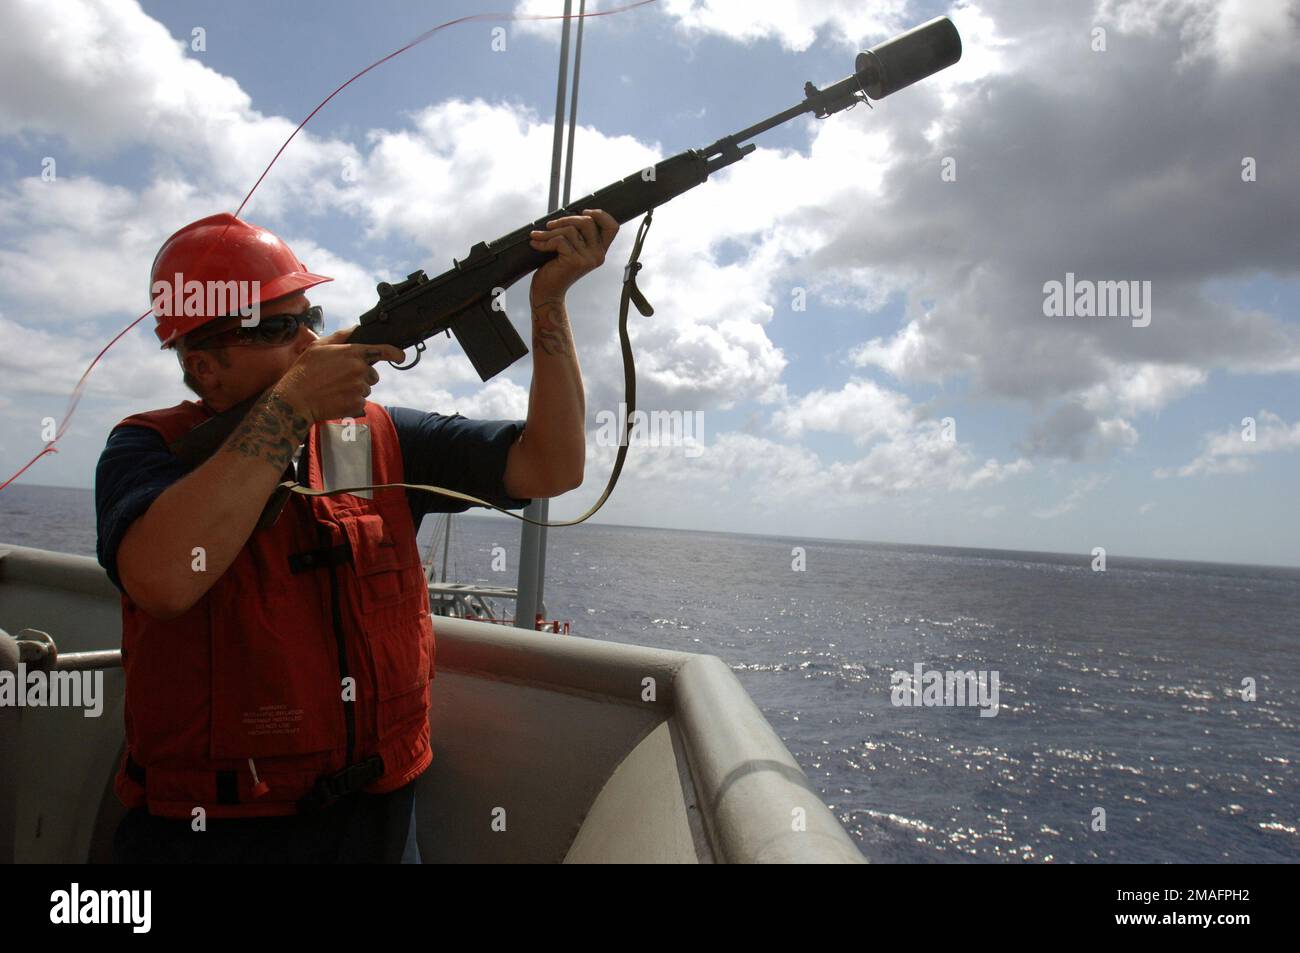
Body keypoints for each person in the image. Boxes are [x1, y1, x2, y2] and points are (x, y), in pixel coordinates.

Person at [95, 209, 617, 862]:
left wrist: (549, 303)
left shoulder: (380, 434)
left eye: (307, 319)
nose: (309, 342)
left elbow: (552, 465)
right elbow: (165, 577)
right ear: (204, 366)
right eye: (278, 329)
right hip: (215, 833)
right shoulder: (148, 448)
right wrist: (290, 409)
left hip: (378, 822)